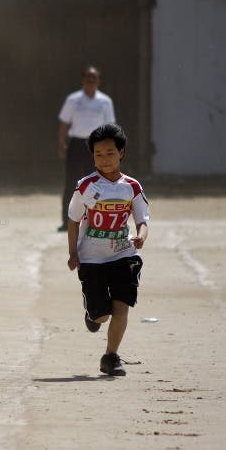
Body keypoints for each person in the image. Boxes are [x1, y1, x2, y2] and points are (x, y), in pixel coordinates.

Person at [66, 123, 149, 377]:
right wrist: (73, 252)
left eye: (110, 153)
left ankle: (111, 356)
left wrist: (141, 238)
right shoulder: (87, 187)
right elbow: (73, 219)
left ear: (121, 153)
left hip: (124, 255)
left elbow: (141, 220)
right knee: (101, 317)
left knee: (122, 308)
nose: (104, 160)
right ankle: (93, 314)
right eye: (98, 154)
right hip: (92, 259)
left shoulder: (131, 187)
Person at [57, 65, 115, 231]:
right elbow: (64, 123)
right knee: (71, 182)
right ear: (83, 80)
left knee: (97, 182)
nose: (91, 80)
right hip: (76, 144)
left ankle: (95, 219)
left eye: (94, 77)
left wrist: (110, 150)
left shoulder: (105, 101)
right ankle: (66, 221)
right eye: (88, 77)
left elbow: (110, 126)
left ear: (99, 81)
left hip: (96, 146)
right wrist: (62, 143)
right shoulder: (73, 99)